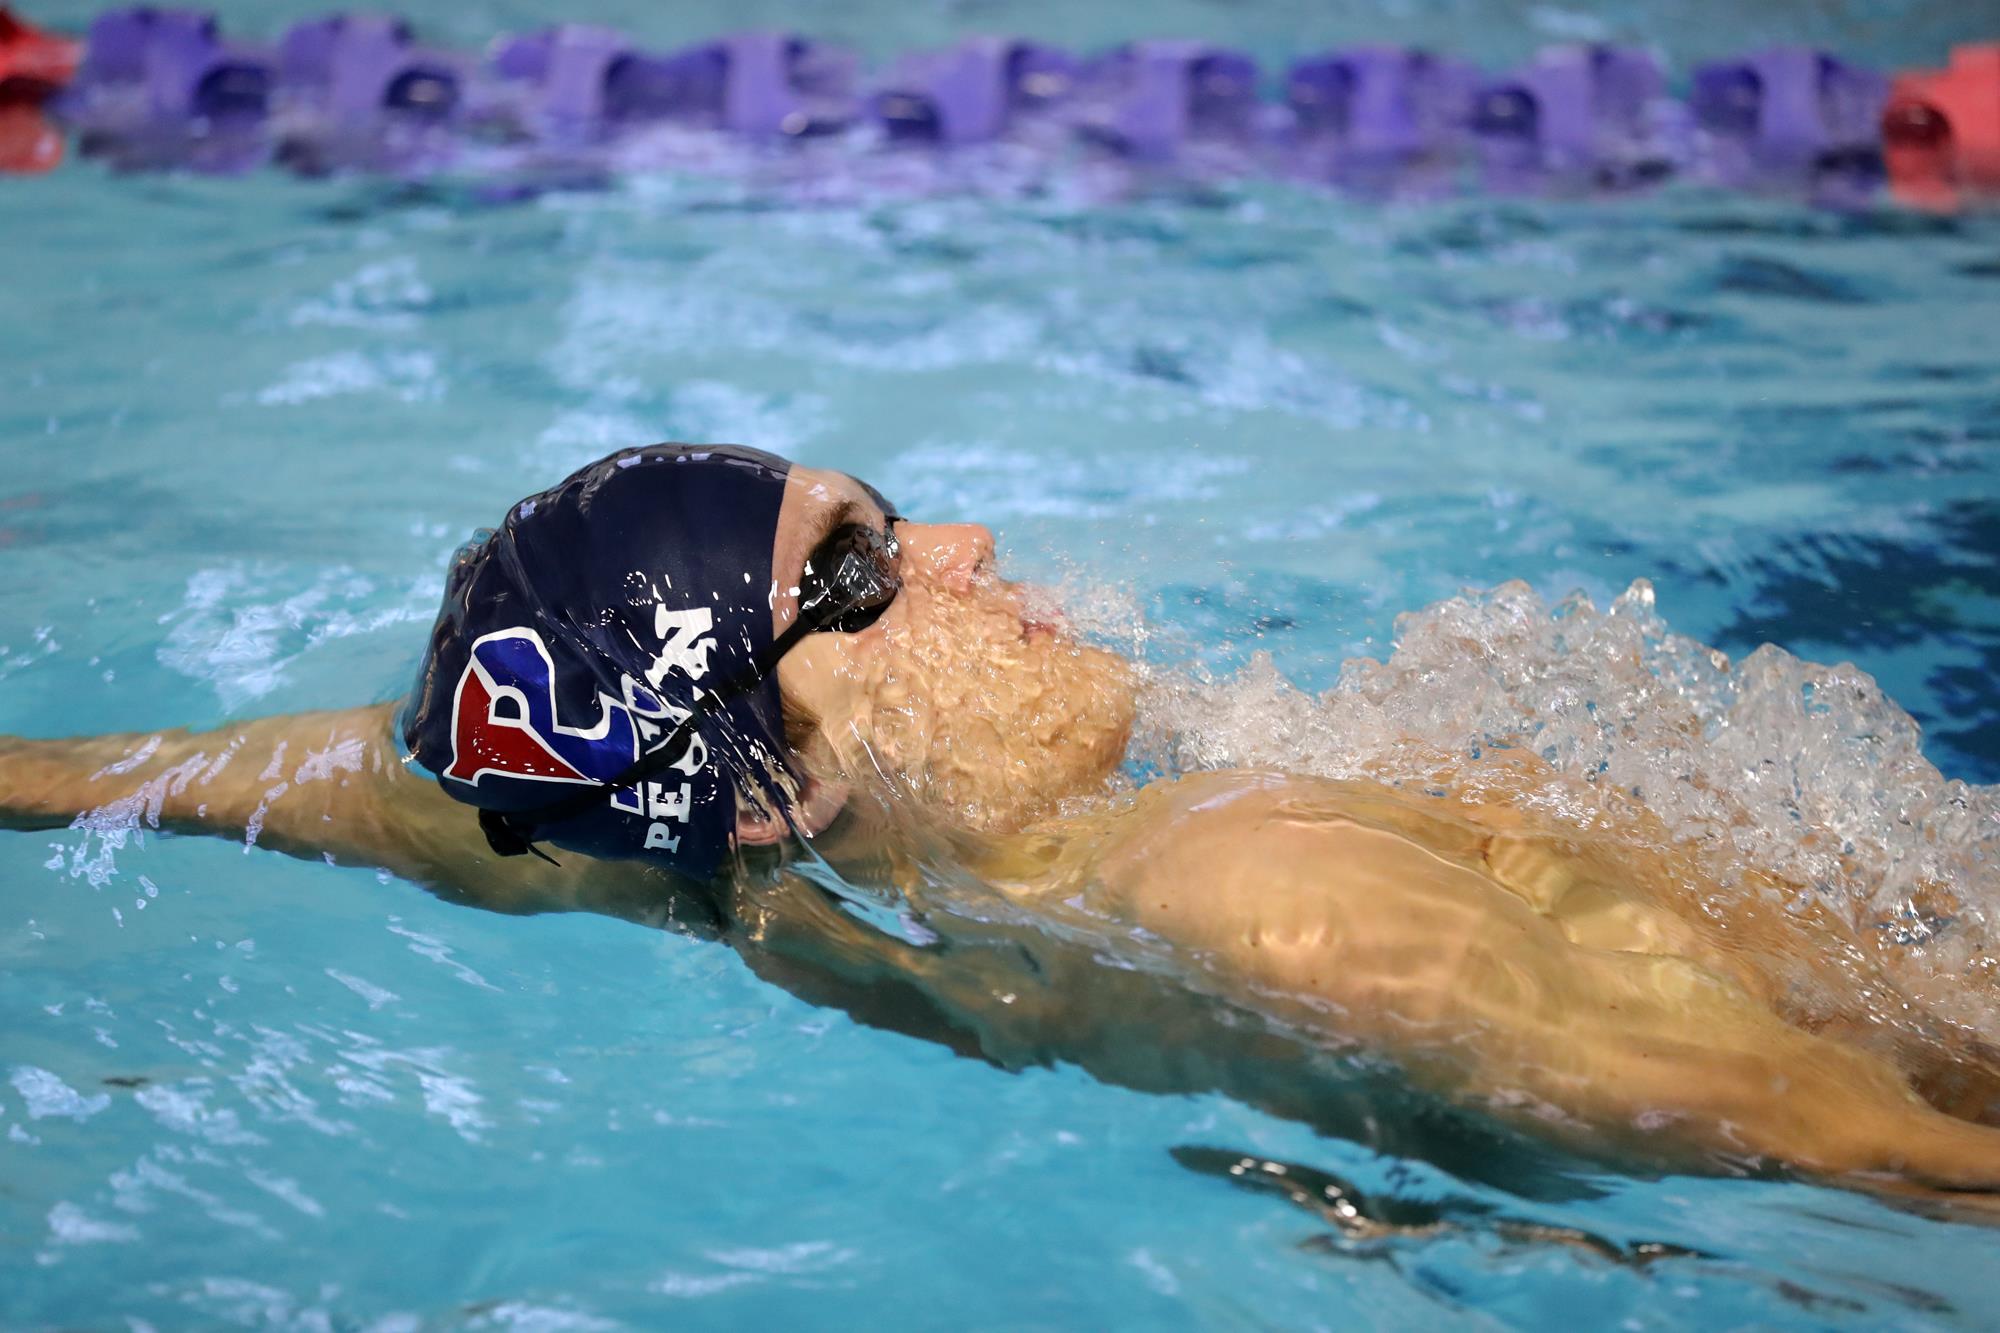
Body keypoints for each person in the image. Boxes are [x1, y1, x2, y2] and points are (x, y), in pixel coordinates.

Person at [6, 443, 2000, 1206]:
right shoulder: (1273, 907)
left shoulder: (653, 856)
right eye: (863, 574)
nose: (957, 543)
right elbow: (1892, 1154)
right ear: (789, 778)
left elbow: (292, 776)